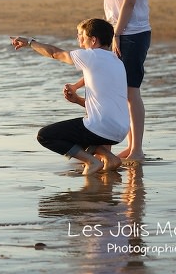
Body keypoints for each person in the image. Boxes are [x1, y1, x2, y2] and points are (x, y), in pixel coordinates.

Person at [72, 0, 151, 163]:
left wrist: (116, 34)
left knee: (131, 91)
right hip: (119, 31)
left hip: (133, 33)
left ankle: (137, 149)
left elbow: (129, 3)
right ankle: (128, 145)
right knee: (119, 89)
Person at [11, 18, 130, 175]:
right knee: (81, 130)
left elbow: (55, 53)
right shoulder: (116, 61)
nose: (79, 38)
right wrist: (77, 100)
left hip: (102, 128)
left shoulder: (91, 56)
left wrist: (30, 42)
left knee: (45, 136)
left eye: (82, 35)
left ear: (93, 40)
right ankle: (109, 158)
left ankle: (91, 161)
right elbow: (103, 103)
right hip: (120, 130)